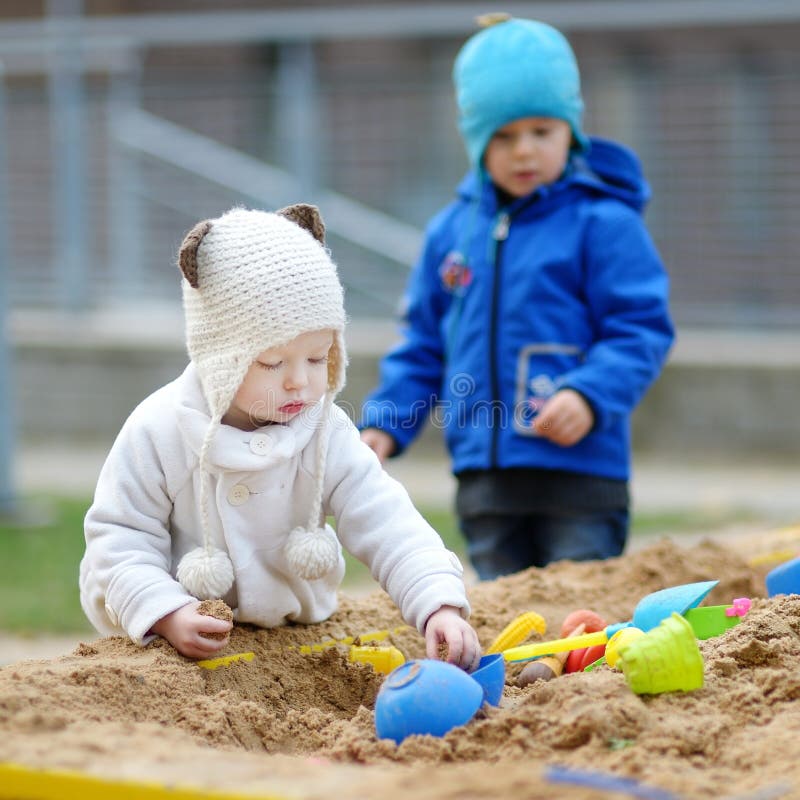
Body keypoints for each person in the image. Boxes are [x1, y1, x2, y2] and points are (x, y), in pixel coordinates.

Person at [80, 204, 480, 670]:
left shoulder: (325, 429)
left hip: (294, 633)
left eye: (318, 359)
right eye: (273, 363)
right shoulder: (159, 429)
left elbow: (386, 518)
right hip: (180, 644)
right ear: (220, 356)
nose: (300, 382)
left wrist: (438, 603)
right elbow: (120, 534)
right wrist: (165, 611)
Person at [360, 16, 674, 580]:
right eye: (503, 136)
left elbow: (639, 328)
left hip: (581, 472)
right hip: (485, 478)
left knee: (582, 614)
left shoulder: (603, 223)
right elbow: (423, 345)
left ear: (571, 131)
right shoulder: (449, 234)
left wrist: (589, 394)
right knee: (505, 615)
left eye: (541, 131)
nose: (523, 151)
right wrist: (386, 421)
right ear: (476, 139)